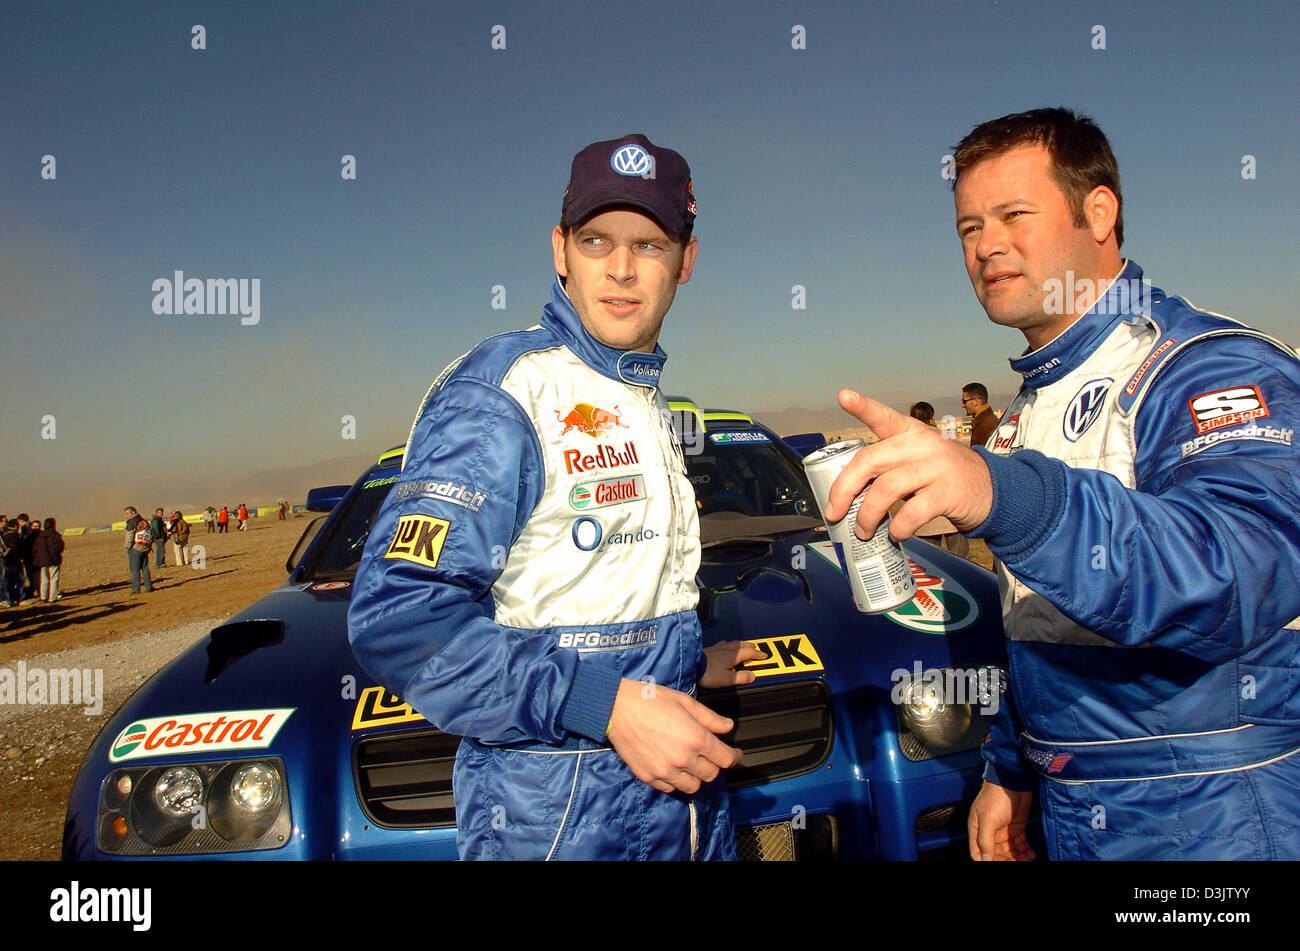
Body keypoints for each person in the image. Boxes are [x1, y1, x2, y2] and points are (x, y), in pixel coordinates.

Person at [825, 107, 1300, 860]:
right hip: (1070, 802)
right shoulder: (1028, 411)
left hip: (1217, 810)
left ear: (1099, 211)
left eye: (1014, 214)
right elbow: (1040, 628)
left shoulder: (1204, 367)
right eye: (968, 228)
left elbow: (1238, 576)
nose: (986, 246)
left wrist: (1002, 494)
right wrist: (1011, 767)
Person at [349, 133, 761, 861]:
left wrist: (682, 663)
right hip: (552, 817)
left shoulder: (637, 393)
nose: (623, 269)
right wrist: (603, 703)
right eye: (597, 239)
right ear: (559, 249)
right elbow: (399, 622)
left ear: (686, 261)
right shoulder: (506, 392)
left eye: (651, 243)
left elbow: (583, 592)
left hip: (678, 796)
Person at [123, 507, 154, 594]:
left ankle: (136, 590)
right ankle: (149, 587)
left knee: (135, 570)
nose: (125, 516)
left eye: (127, 513)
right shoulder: (144, 521)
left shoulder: (132, 522)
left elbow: (129, 537)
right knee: (145, 568)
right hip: (145, 548)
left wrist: (127, 548)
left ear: (133, 513)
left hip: (135, 549)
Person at [33, 517, 64, 602]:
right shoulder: (55, 535)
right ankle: (53, 597)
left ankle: (43, 596)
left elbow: (35, 549)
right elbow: (60, 548)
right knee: (54, 579)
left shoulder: (40, 536)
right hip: (53, 561)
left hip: (42, 561)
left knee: (44, 579)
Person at [963, 383, 998, 448]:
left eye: (964, 401)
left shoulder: (987, 424)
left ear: (976, 401)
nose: (962, 405)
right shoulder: (983, 421)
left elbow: (987, 455)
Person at [1, 519, 23, 607]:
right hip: (13, 561)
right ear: (15, 526)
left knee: (7, 581)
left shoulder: (4, 536)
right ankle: (19, 598)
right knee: (19, 580)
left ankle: (8, 599)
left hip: (6, 561)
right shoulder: (14, 536)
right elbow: (13, 549)